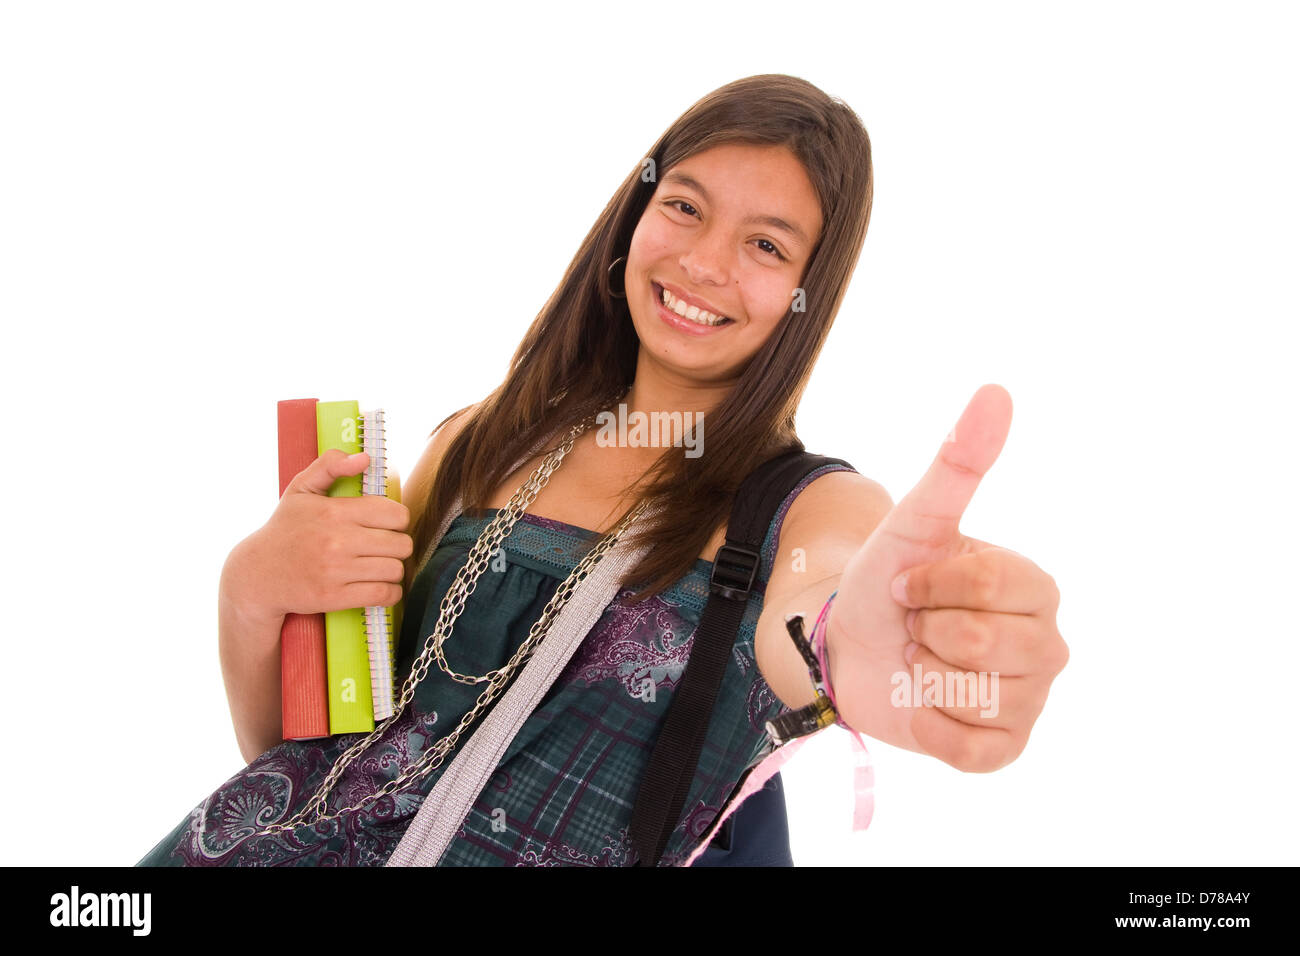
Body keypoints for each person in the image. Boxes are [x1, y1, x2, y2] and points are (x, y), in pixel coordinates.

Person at [138, 73, 1067, 867]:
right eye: (685, 207)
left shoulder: (807, 511)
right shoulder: (478, 443)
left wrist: (889, 649)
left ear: (804, 298)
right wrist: (249, 594)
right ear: (636, 214)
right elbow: (306, 756)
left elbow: (835, 596)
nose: (703, 262)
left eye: (767, 245)